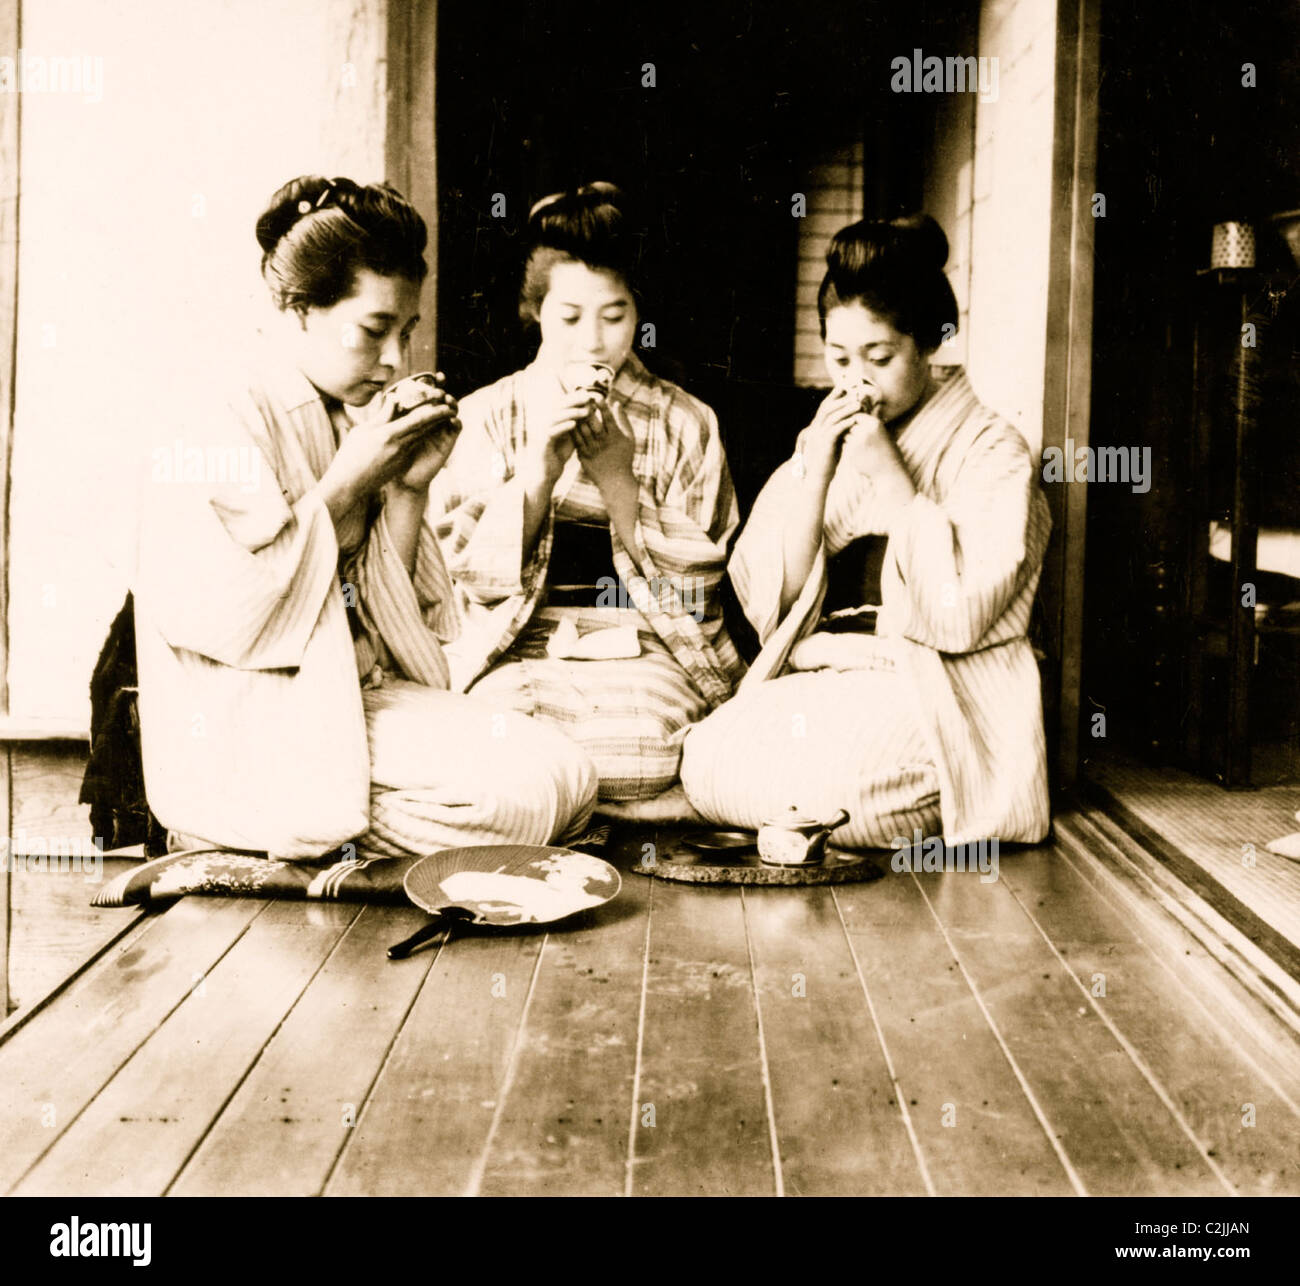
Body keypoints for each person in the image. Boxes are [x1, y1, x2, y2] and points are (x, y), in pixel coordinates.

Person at [133, 175, 597, 861]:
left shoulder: (350, 413)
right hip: (252, 720)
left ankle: (344, 834)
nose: (394, 361)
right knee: (516, 804)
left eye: (405, 332)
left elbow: (384, 615)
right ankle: (246, 835)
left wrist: (408, 489)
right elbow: (229, 618)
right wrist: (350, 480)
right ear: (296, 308)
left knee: (570, 774)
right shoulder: (217, 410)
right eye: (374, 330)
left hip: (351, 698)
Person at [680, 214, 1052, 849]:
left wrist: (891, 478)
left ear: (932, 342)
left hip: (931, 684)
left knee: (858, 791)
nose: (856, 379)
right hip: (827, 668)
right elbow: (776, 604)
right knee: (707, 761)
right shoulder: (823, 440)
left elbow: (960, 613)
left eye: (879, 357)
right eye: (839, 356)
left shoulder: (994, 447)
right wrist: (817, 475)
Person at [431, 183, 743, 801]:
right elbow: (456, 574)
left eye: (615, 314)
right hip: (517, 638)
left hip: (645, 638)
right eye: (570, 317)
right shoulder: (489, 413)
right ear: (536, 312)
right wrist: (538, 476)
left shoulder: (685, 420)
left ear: (638, 311)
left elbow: (700, 582)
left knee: (636, 759)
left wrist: (621, 483)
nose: (593, 341)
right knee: (503, 754)